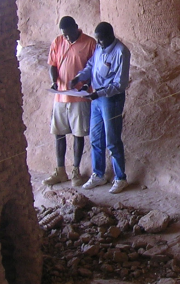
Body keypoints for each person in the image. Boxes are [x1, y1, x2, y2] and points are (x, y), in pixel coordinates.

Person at [70, 21, 131, 194]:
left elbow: (120, 84)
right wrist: (79, 78)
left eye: (102, 40)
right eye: (98, 40)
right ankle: (98, 174)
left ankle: (120, 178)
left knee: (112, 140)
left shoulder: (121, 52)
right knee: (96, 138)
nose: (99, 43)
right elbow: (91, 66)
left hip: (111, 99)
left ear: (111, 36)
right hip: (96, 99)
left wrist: (100, 93)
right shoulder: (99, 48)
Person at [43, 16, 97, 187]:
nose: (66, 37)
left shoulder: (89, 43)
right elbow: (53, 64)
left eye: (68, 34)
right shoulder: (58, 41)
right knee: (59, 133)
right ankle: (60, 171)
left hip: (79, 97)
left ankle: (76, 170)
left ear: (76, 27)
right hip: (60, 96)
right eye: (64, 35)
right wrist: (54, 81)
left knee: (78, 134)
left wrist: (85, 85)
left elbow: (93, 68)